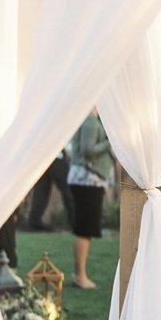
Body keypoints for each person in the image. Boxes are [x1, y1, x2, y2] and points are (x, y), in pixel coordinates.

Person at [67, 110, 114, 289]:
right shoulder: (90, 121)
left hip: (87, 180)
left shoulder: (87, 119)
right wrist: (109, 143)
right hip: (87, 180)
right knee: (85, 229)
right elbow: (88, 150)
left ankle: (79, 274)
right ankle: (80, 276)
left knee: (84, 228)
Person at [27, 148, 76, 230]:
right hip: (55, 156)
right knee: (68, 189)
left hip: (41, 156)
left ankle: (34, 221)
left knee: (41, 191)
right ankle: (75, 221)